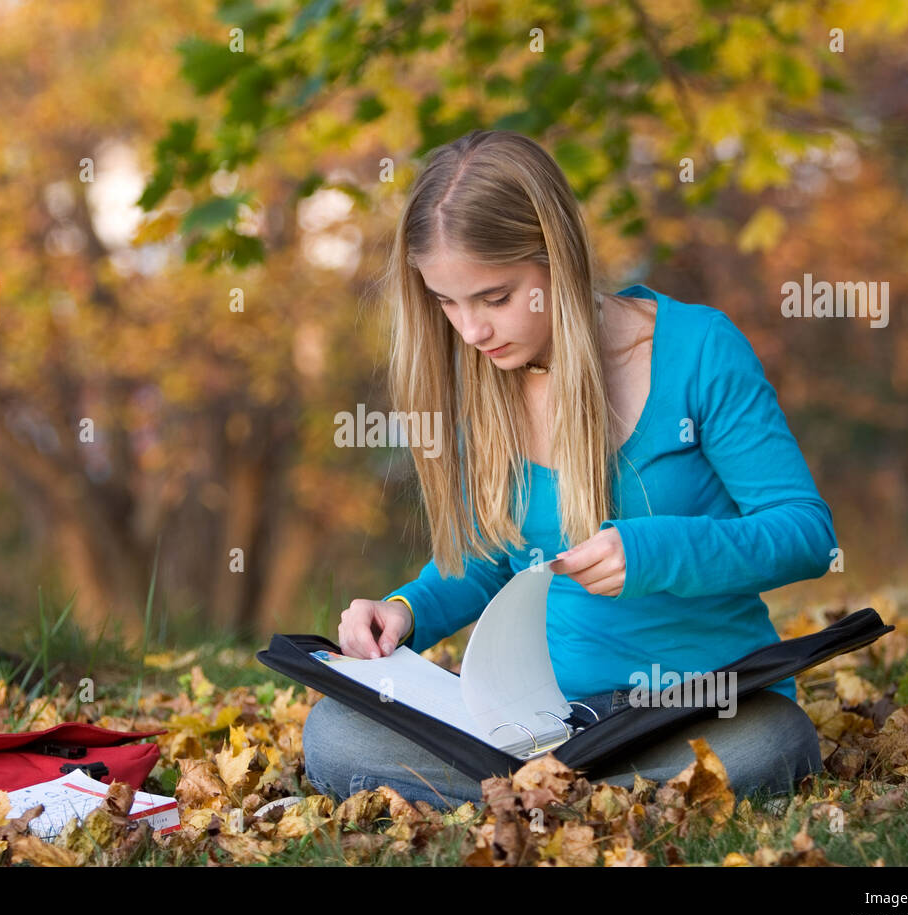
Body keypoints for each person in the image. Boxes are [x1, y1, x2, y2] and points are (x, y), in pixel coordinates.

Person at [302, 129, 831, 812]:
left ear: (557, 259)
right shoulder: (486, 379)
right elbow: (491, 561)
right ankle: (583, 794)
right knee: (334, 733)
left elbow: (805, 533)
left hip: (698, 708)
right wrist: (403, 612)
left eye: (494, 298)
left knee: (773, 743)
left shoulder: (699, 350)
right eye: (446, 301)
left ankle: (542, 800)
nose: (471, 331)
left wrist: (653, 552)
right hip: (545, 720)